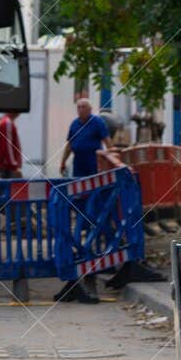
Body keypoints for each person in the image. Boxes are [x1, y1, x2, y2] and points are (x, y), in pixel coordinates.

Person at [54, 97, 120, 304]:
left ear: (90, 109)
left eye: (84, 107)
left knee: (97, 212)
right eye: (78, 107)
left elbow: (107, 143)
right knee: (81, 210)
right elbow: (70, 145)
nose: (80, 110)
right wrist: (63, 161)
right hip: (79, 173)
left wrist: (111, 160)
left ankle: (99, 248)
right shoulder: (75, 124)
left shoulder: (97, 123)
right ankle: (85, 241)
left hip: (95, 174)